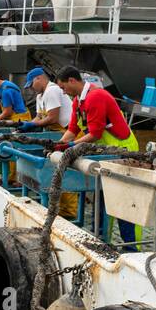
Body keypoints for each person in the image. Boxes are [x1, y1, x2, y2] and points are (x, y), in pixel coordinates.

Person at [54, 66, 140, 247]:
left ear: (72, 81)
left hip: (122, 151)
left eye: (63, 87)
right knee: (102, 196)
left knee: (123, 200)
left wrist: (70, 146)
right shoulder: (78, 101)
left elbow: (95, 133)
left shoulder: (96, 96)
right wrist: (58, 145)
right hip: (104, 153)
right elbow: (73, 129)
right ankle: (101, 239)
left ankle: (132, 247)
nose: (63, 91)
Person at [17, 66, 77, 216]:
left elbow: (52, 117)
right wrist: (27, 125)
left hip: (66, 132)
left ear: (39, 78)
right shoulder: (40, 96)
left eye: (31, 84)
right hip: (53, 133)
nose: (31, 88)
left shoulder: (52, 90)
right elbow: (39, 117)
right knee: (55, 169)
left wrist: (33, 124)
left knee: (66, 170)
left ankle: (69, 211)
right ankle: (58, 204)